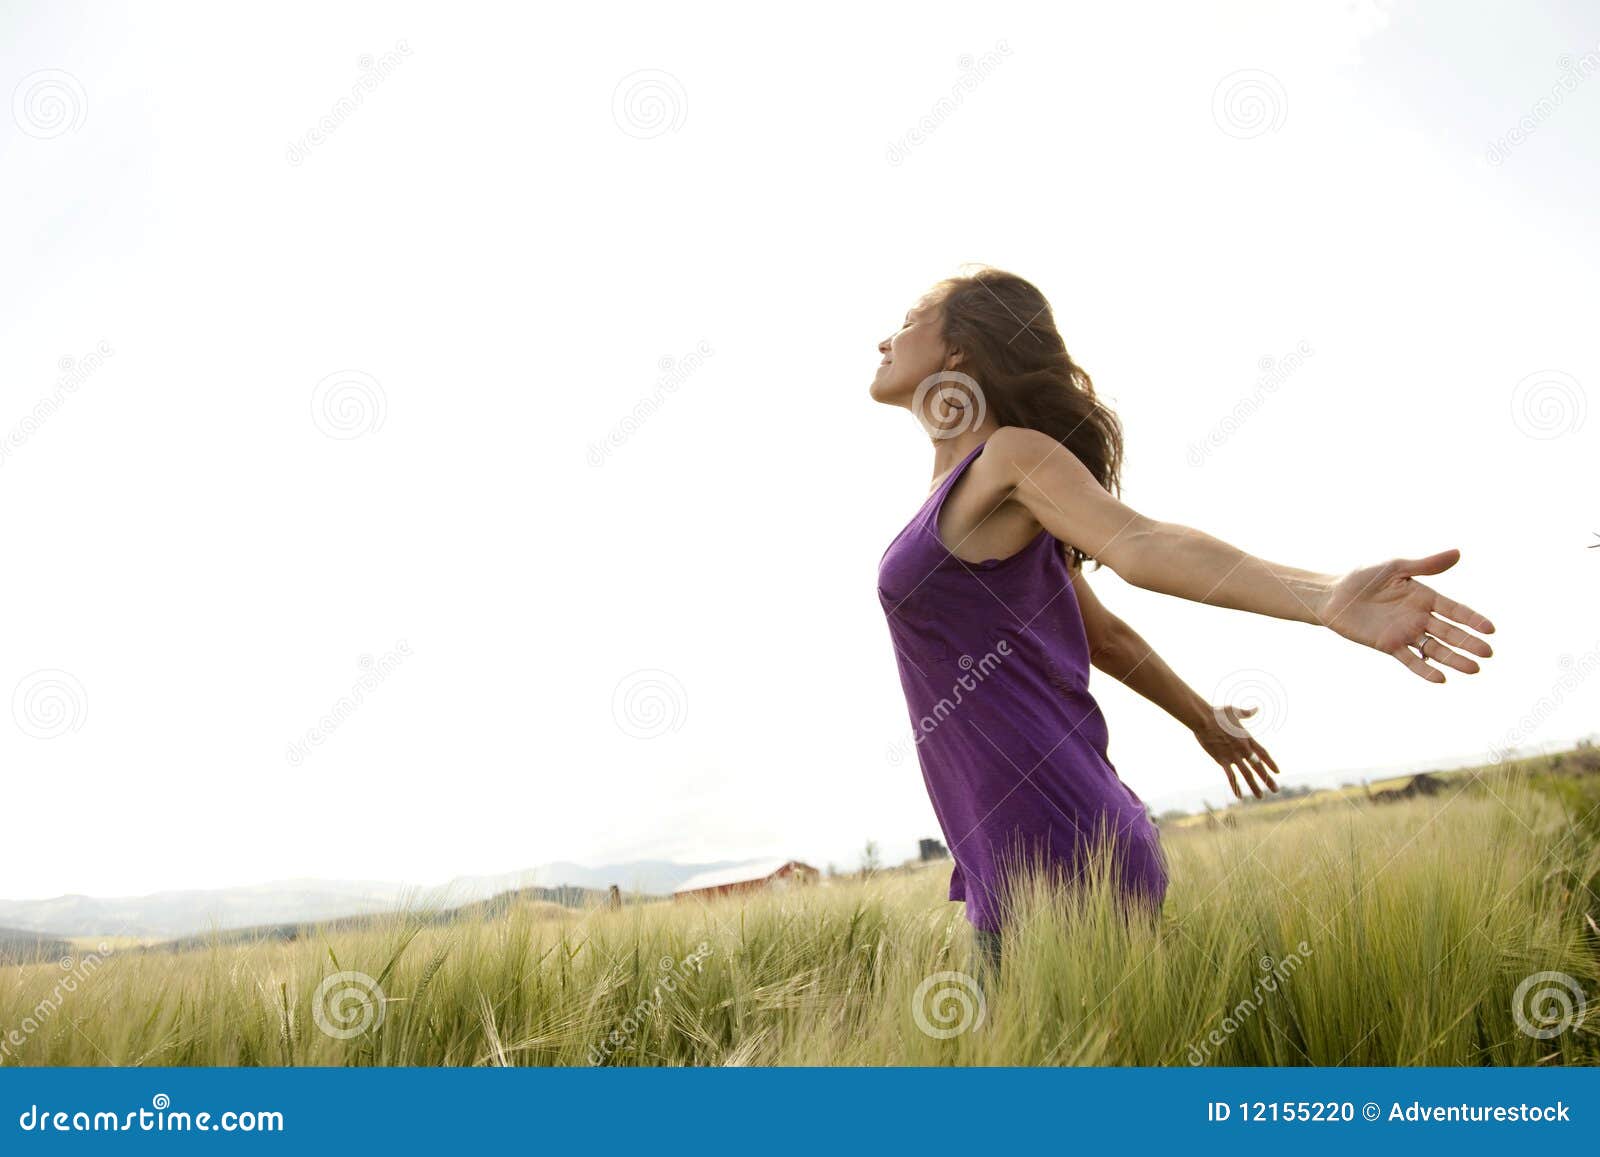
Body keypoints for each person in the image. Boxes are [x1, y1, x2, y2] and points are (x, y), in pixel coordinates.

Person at [872, 267, 1496, 978]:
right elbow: (1106, 637)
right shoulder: (966, 498)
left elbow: (1142, 544)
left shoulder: (1012, 457)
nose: (885, 338)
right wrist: (1203, 718)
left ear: (959, 350)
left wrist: (1322, 595)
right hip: (1011, 851)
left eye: (912, 317)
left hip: (1055, 849)